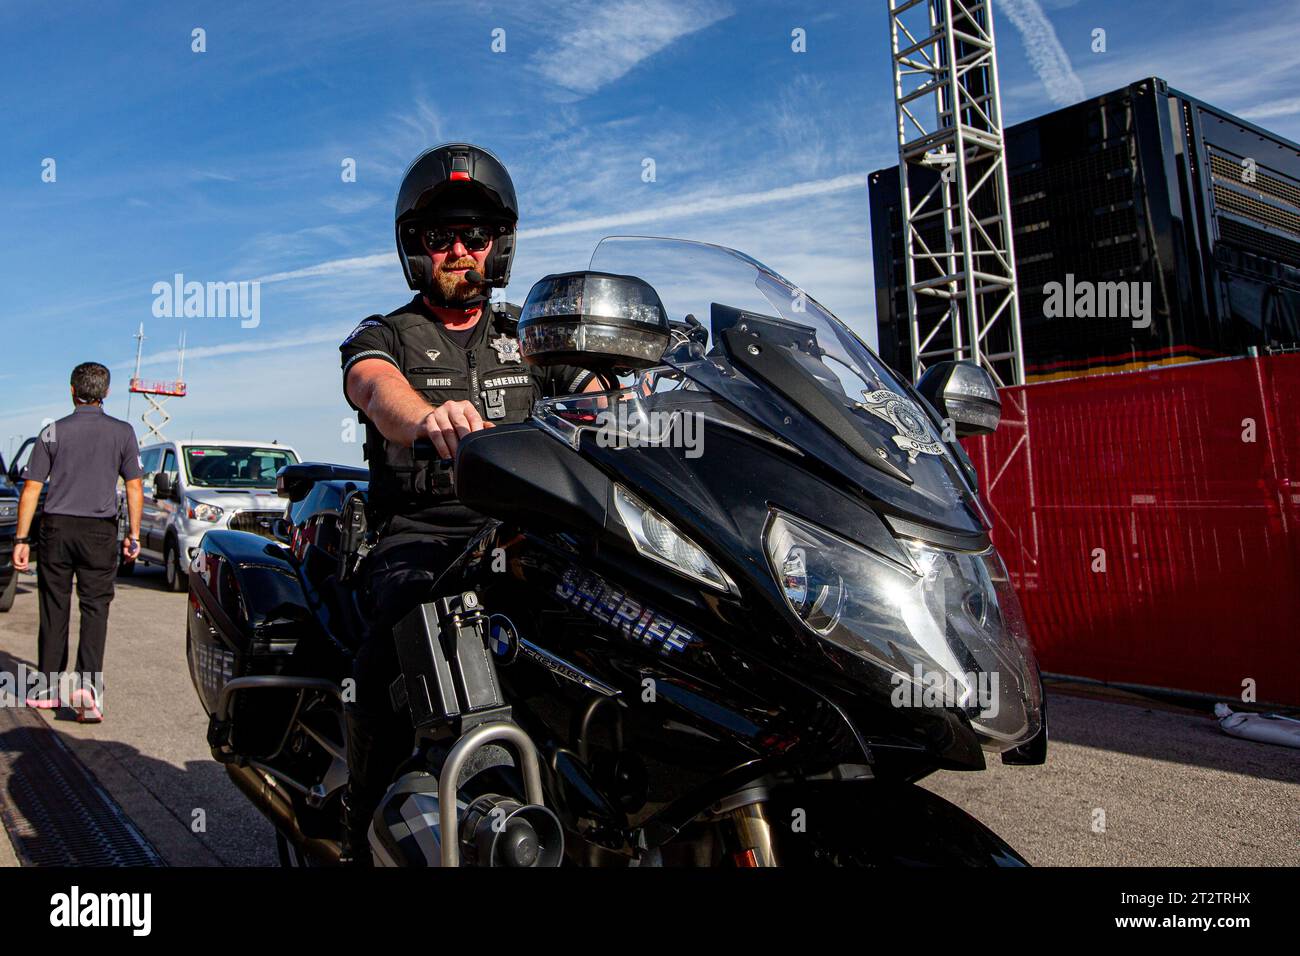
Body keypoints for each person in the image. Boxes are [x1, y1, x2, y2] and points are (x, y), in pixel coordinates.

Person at [338, 143, 595, 862]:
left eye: (473, 236)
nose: (458, 250)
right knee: (394, 637)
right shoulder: (386, 333)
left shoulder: (532, 338)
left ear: (497, 246)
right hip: (422, 535)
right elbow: (372, 386)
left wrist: (628, 397)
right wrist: (424, 417)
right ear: (415, 248)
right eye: (440, 236)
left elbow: (597, 392)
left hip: (527, 537)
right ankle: (363, 825)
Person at [12, 362, 143, 722]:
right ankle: (87, 689)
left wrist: (21, 538)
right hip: (99, 532)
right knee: (95, 607)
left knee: (54, 605)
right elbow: (134, 485)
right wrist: (133, 533)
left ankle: (48, 688)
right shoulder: (123, 432)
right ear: (107, 393)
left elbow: (32, 488)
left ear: (72, 391)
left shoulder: (51, 432)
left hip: (56, 529)